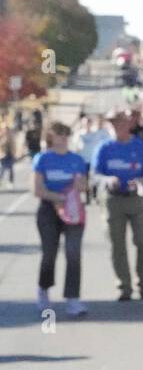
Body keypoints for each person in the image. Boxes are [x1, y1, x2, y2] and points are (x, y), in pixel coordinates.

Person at [94, 109, 143, 300]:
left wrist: (141, 182)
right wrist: (107, 179)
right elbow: (95, 175)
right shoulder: (104, 148)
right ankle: (124, 286)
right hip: (113, 200)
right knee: (117, 245)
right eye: (113, 123)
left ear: (129, 124)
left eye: (120, 122)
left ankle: (142, 283)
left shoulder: (138, 147)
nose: (117, 127)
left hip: (135, 198)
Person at [32, 122, 89, 317]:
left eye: (66, 133)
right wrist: (58, 198)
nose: (63, 137)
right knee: (50, 253)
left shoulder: (77, 160)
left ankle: (73, 298)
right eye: (59, 133)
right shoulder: (42, 159)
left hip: (72, 210)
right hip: (49, 210)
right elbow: (37, 189)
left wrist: (80, 185)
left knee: (73, 253)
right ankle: (44, 290)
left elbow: (83, 186)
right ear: (50, 136)